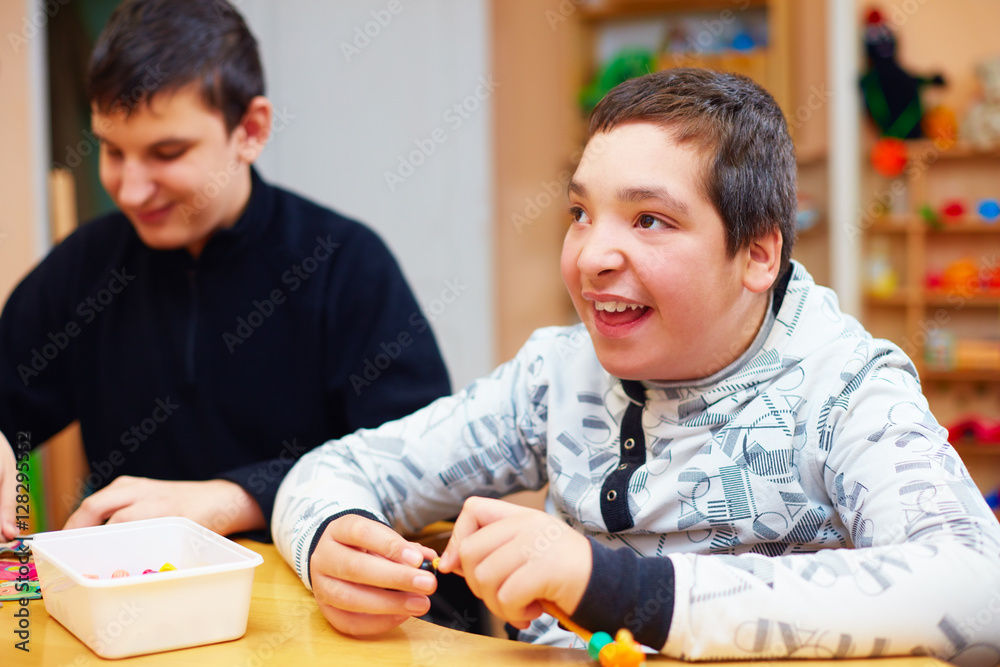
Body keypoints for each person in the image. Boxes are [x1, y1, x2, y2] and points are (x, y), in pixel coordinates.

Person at [272, 68, 1000, 664]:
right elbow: (335, 468)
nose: (591, 256)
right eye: (581, 213)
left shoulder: (847, 390)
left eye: (649, 219)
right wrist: (331, 535)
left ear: (758, 254)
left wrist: (618, 585)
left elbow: (979, 591)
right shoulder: (555, 374)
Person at [0, 0, 451, 542]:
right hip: (131, 602)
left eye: (167, 152)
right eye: (114, 151)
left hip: (311, 604)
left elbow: (421, 464)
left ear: (251, 129)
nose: (131, 189)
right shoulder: (83, 268)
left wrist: (232, 500)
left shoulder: (344, 264)